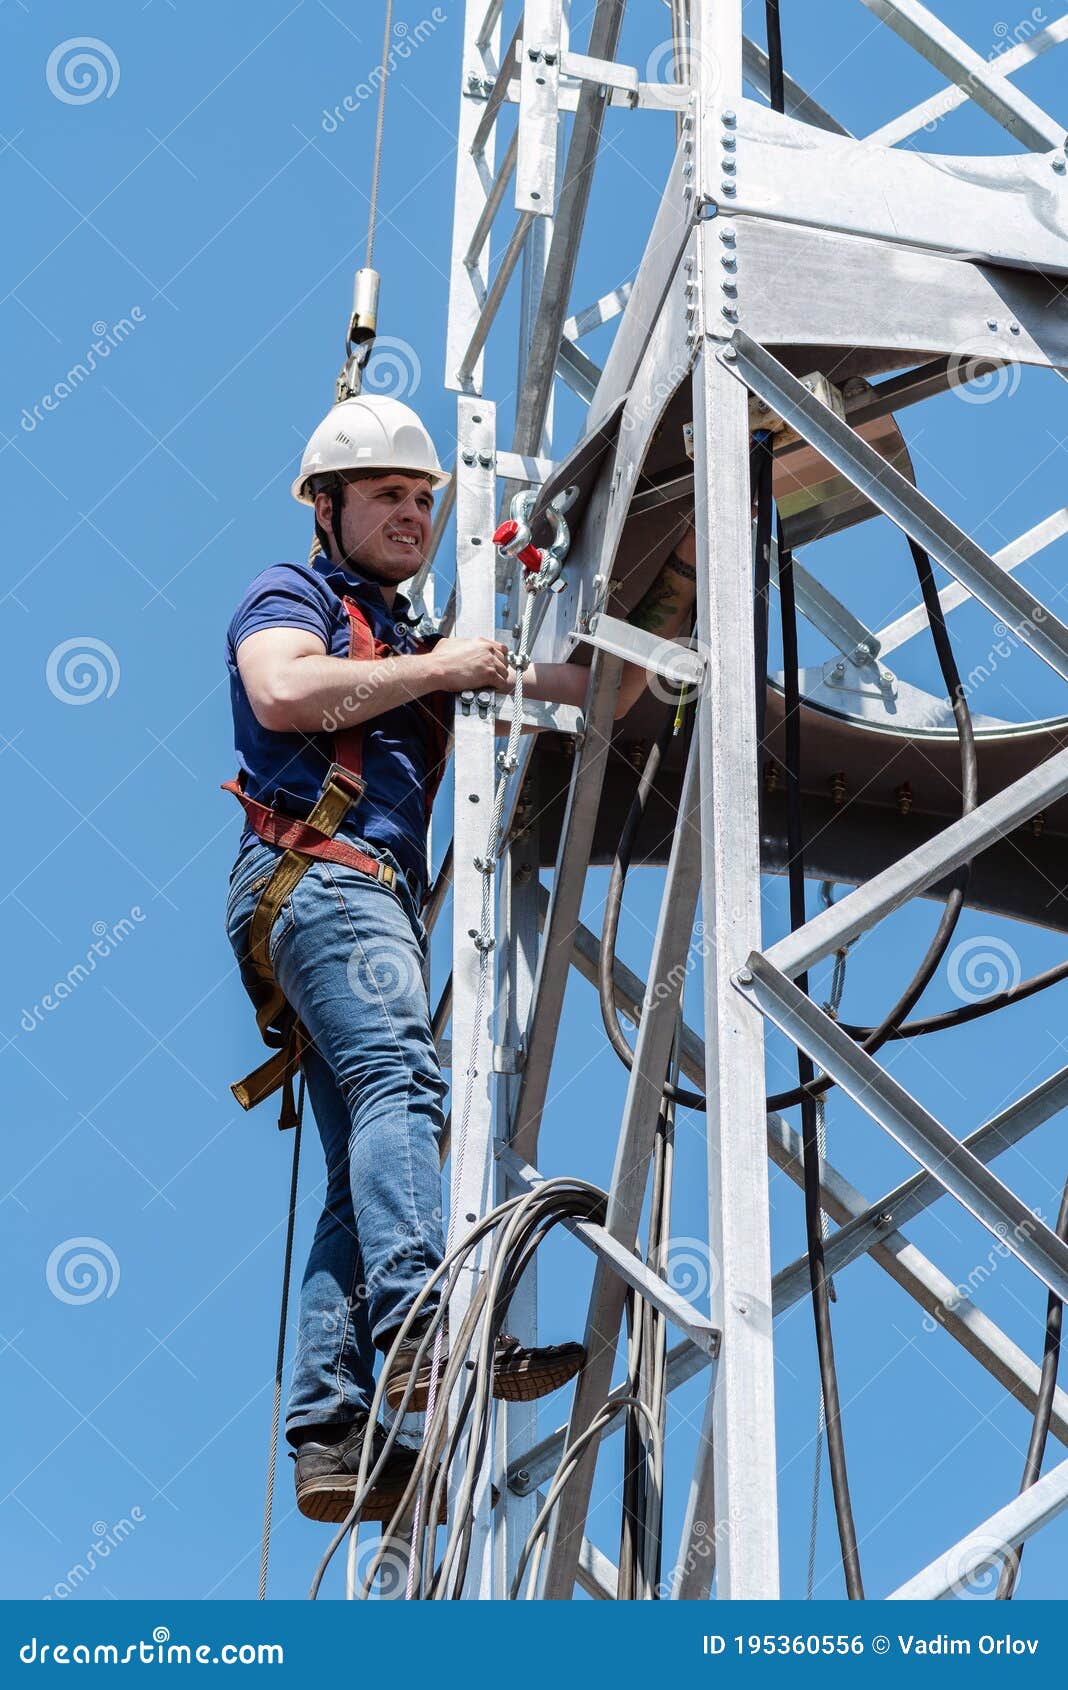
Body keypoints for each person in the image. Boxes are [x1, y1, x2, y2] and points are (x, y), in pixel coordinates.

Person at [223, 393, 698, 1523]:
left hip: (359, 896)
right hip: (322, 879)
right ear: (327, 510)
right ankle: (423, 1326)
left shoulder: (428, 645)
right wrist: (444, 672)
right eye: (387, 494)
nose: (413, 515)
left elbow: (602, 694)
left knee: (361, 1160)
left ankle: (332, 1432)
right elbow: (283, 690)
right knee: (404, 1084)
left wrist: (673, 584)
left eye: (426, 499)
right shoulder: (297, 597)